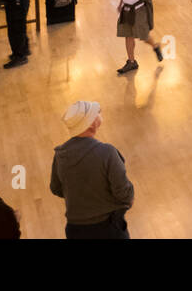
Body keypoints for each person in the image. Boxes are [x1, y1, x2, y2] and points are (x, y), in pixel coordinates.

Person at [50, 100, 134, 239]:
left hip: (75, 231)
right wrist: (129, 200)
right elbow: (123, 191)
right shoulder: (107, 152)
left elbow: (56, 188)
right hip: (109, 229)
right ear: (91, 124)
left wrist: (82, 198)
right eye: (96, 113)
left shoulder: (60, 155)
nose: (100, 114)